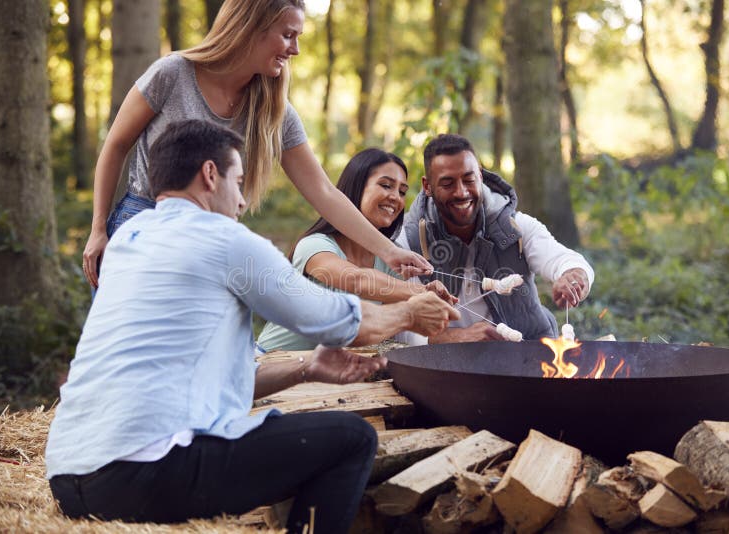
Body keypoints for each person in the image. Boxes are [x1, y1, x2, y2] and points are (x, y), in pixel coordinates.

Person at [46, 120, 459, 533]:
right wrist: (409, 313)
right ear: (210, 175)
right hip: (147, 471)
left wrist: (307, 368)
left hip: (68, 475)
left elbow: (216, 377)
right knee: (353, 439)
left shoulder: (129, 238)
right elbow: (338, 321)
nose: (242, 202)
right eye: (239, 182)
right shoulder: (225, 240)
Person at [81, 0, 430, 289]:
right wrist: (98, 229)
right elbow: (115, 145)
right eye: (288, 35)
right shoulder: (172, 74)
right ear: (251, 28)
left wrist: (390, 252)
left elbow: (323, 191)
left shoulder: (274, 112)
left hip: (215, 240)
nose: (294, 49)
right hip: (143, 223)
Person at [396, 134, 594, 344]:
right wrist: (453, 338)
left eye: (469, 179)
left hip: (527, 363)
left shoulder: (515, 226)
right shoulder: (409, 240)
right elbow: (399, 325)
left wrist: (573, 277)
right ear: (427, 186)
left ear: (480, 176)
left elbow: (567, 261)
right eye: (448, 183)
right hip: (447, 369)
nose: (461, 192)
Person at [258, 148, 457, 351]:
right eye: (386, 185)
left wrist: (426, 302)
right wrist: (421, 291)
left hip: (321, 373)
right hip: (270, 362)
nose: (396, 197)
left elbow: (381, 326)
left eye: (402, 191)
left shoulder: (391, 261)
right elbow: (356, 280)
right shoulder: (315, 245)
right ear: (357, 186)